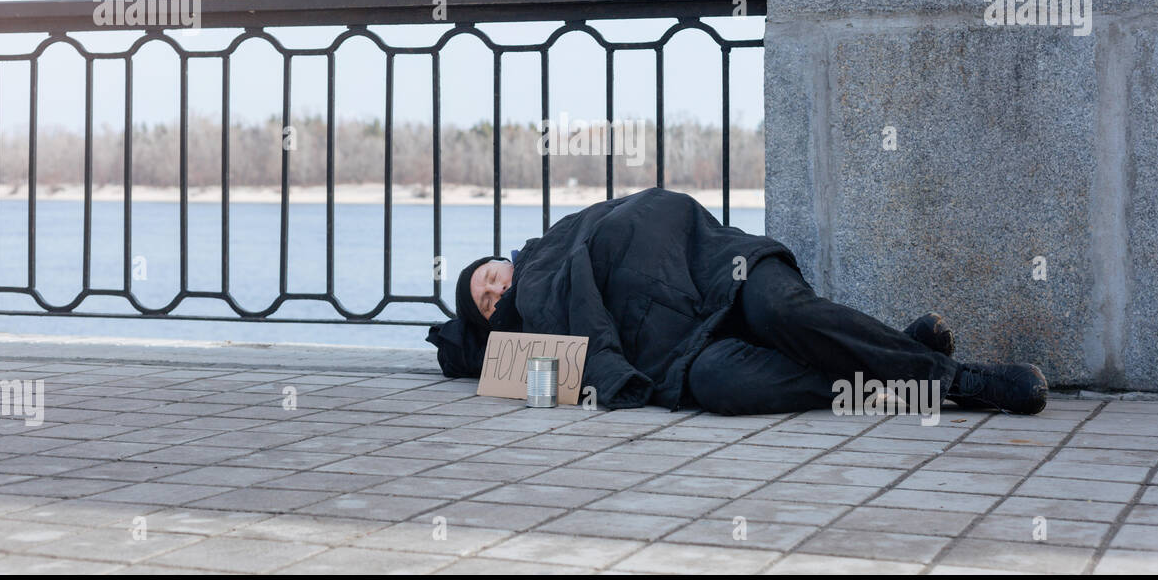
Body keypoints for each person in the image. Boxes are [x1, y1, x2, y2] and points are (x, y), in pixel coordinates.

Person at [427, 187, 1047, 416]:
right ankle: (896, 372)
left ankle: (959, 379)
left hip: (716, 266)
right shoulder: (531, 332)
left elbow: (651, 212)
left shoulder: (555, 241)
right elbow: (549, 372)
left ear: (502, 259)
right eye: (485, 302)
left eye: (490, 276)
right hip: (679, 352)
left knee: (784, 313)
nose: (495, 290)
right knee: (723, 385)